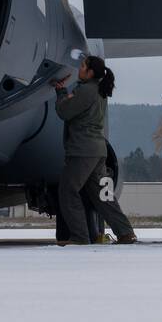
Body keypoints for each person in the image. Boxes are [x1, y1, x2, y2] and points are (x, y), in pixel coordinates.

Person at [51, 55, 137, 246]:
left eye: (82, 66)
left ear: (90, 72)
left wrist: (61, 92)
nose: (79, 69)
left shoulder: (86, 90)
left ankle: (80, 237)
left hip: (83, 151)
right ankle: (125, 232)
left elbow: (64, 112)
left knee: (67, 190)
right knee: (103, 195)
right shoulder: (99, 90)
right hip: (98, 151)